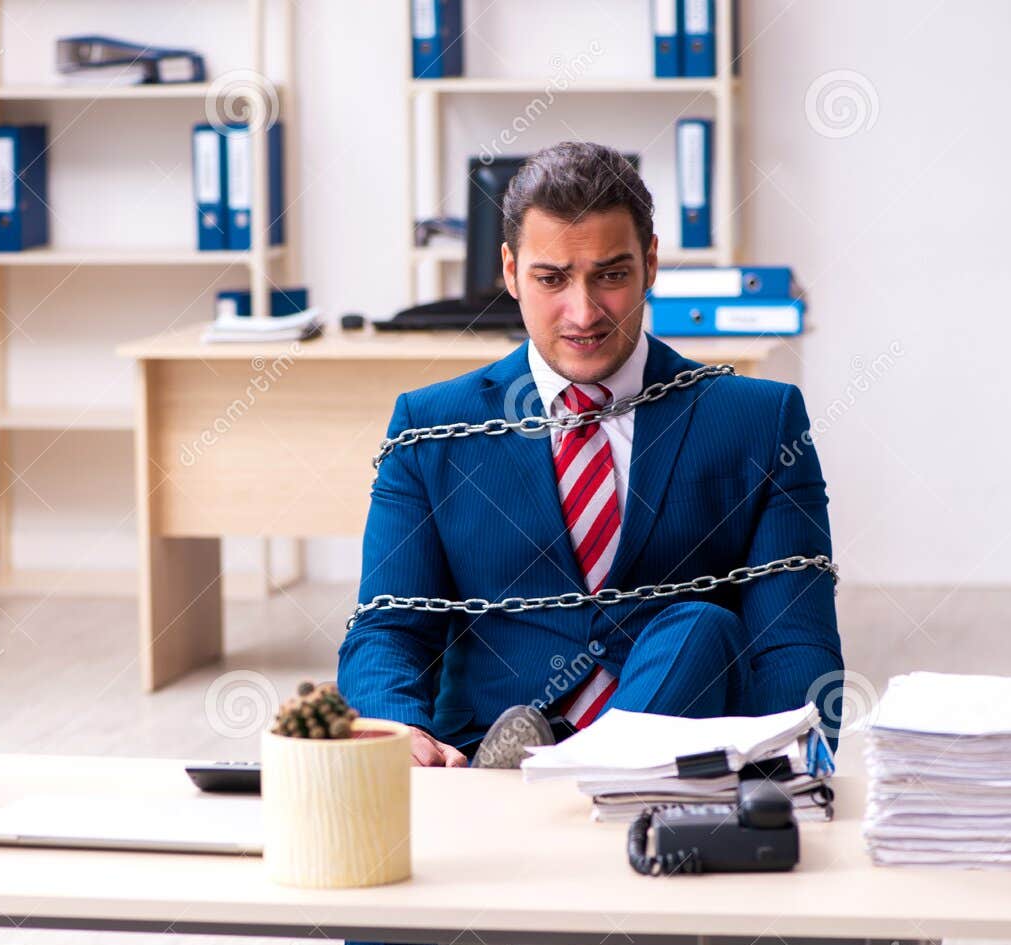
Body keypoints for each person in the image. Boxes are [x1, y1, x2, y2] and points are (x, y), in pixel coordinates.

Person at [337, 140, 844, 782]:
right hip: (488, 753)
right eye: (552, 279)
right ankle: (575, 785)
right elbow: (390, 628)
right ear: (510, 270)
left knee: (699, 628)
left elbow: (793, 638)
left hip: (685, 744)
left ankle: (579, 776)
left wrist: (790, 772)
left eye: (610, 274)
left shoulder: (758, 420)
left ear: (651, 264)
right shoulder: (431, 426)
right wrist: (397, 728)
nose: (584, 313)